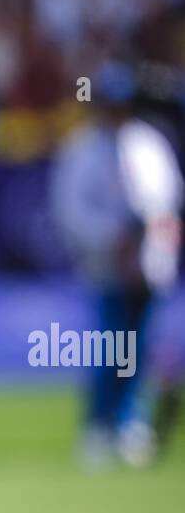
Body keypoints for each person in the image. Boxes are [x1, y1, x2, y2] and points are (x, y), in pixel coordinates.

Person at [51, 62, 183, 467]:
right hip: (107, 267)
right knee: (112, 346)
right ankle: (99, 424)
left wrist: (154, 240)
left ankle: (130, 423)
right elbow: (71, 211)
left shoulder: (147, 145)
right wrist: (113, 238)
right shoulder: (83, 149)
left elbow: (168, 201)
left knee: (138, 347)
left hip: (148, 265)